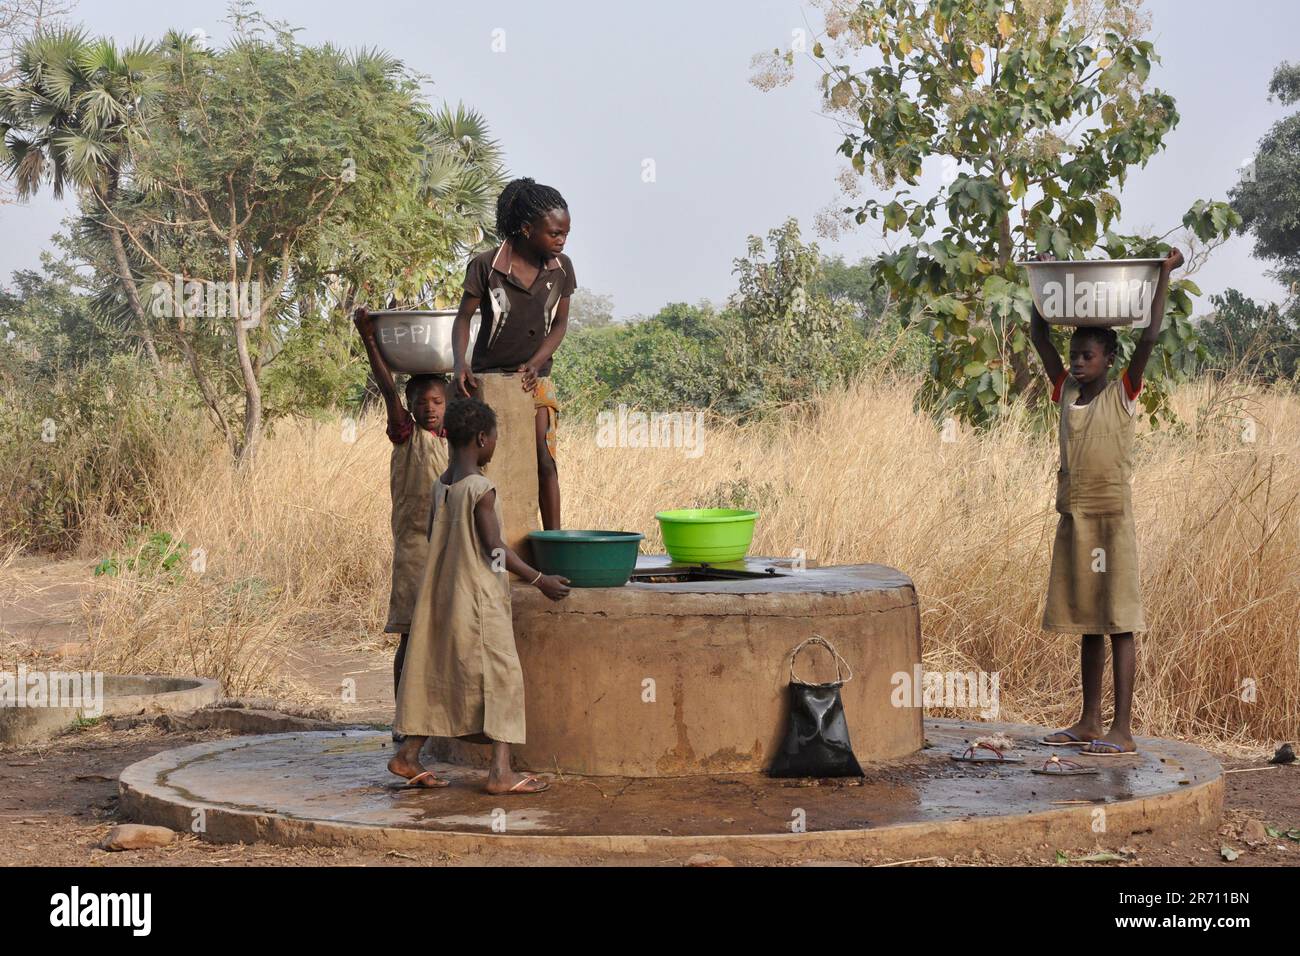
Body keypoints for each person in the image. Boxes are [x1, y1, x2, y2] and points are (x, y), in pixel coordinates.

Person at [1030, 248, 1184, 756]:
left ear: (1109, 361)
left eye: (1086, 355)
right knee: (1087, 624)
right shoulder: (1064, 391)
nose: (1076, 362)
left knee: (1119, 622)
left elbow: (1151, 335)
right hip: (1075, 518)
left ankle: (1123, 728)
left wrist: (1162, 275)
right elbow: (1037, 336)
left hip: (1112, 520)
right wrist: (1042, 280)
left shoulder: (1123, 390)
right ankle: (1089, 721)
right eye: (1074, 355)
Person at [387, 397, 571, 792]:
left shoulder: (442, 486)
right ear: (483, 439)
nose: (495, 446)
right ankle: (501, 773)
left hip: (443, 598)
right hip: (479, 601)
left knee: (441, 675)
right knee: (503, 676)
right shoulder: (480, 489)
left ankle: (408, 754)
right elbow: (494, 549)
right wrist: (540, 580)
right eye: (496, 439)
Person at [451, 177, 574, 529]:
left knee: (544, 461)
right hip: (487, 380)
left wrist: (535, 364)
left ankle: (554, 542)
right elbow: (463, 320)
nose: (562, 240)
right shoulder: (486, 267)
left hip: (533, 381)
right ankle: (485, 543)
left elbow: (560, 325)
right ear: (525, 229)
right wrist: (460, 364)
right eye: (554, 233)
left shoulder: (562, 268)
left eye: (565, 233)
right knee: (487, 465)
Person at [353, 307, 449, 735]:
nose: (430, 410)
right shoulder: (407, 435)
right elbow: (387, 388)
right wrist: (369, 338)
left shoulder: (457, 440)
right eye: (421, 403)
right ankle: (402, 720)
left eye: (437, 402)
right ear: (408, 408)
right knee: (410, 640)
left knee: (444, 639)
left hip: (449, 551)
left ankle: (435, 717)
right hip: (413, 551)